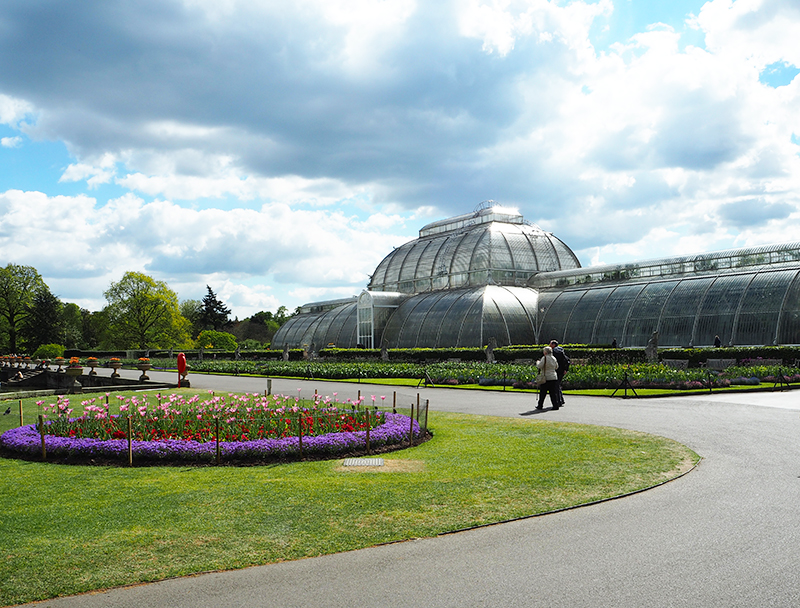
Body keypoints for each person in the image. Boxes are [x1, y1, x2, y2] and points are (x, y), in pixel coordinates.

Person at [536, 346, 560, 410]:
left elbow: (540, 366)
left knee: (543, 393)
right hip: (554, 377)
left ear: (545, 352)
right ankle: (555, 405)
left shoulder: (545, 358)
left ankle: (540, 405)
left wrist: (537, 362)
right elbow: (556, 367)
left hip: (546, 377)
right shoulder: (554, 358)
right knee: (553, 393)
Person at [549, 339, 570, 407]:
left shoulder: (554, 352)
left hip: (556, 370)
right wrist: (566, 369)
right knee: (557, 385)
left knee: (556, 386)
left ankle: (559, 401)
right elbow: (567, 360)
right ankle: (561, 400)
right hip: (561, 370)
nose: (549, 345)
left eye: (551, 344)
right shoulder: (561, 351)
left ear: (554, 345)